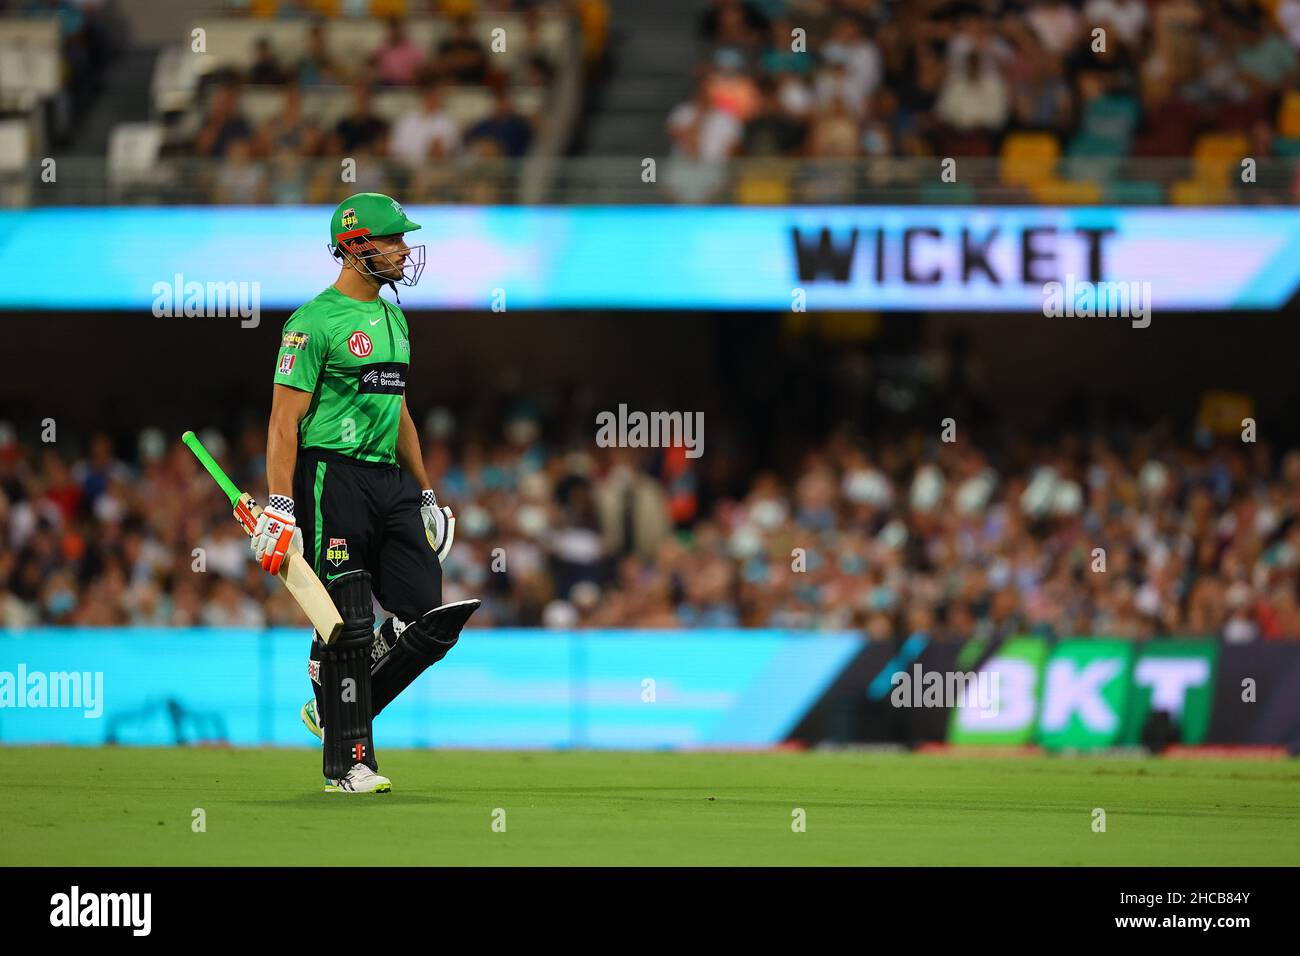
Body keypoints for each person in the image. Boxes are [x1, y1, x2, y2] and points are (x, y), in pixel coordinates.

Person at [257, 192, 478, 794]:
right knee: (352, 620)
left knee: (429, 618)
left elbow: (398, 408)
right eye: (394, 240)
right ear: (357, 248)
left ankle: (332, 699)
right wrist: (280, 506)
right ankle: (349, 764)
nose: (406, 251)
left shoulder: (394, 318)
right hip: (333, 478)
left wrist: (427, 492)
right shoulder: (310, 323)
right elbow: (283, 423)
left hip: (390, 481)